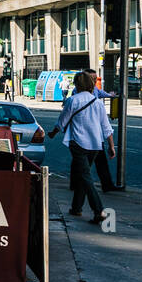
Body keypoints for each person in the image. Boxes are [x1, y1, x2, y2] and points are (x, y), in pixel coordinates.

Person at [55, 71, 115, 224]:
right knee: (84, 174)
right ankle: (76, 208)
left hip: (78, 143)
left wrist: (52, 132)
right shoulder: (98, 102)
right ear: (91, 84)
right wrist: (111, 146)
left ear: (76, 84)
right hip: (95, 144)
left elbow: (62, 122)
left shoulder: (72, 101)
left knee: (86, 176)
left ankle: (99, 211)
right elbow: (106, 127)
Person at [84, 68, 121, 193]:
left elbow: (101, 93)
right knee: (85, 163)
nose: (94, 81)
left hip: (95, 135)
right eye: (92, 78)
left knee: (97, 161)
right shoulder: (77, 95)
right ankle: (80, 185)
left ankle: (106, 184)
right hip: (84, 136)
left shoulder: (95, 91)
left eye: (95, 78)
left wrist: (111, 95)